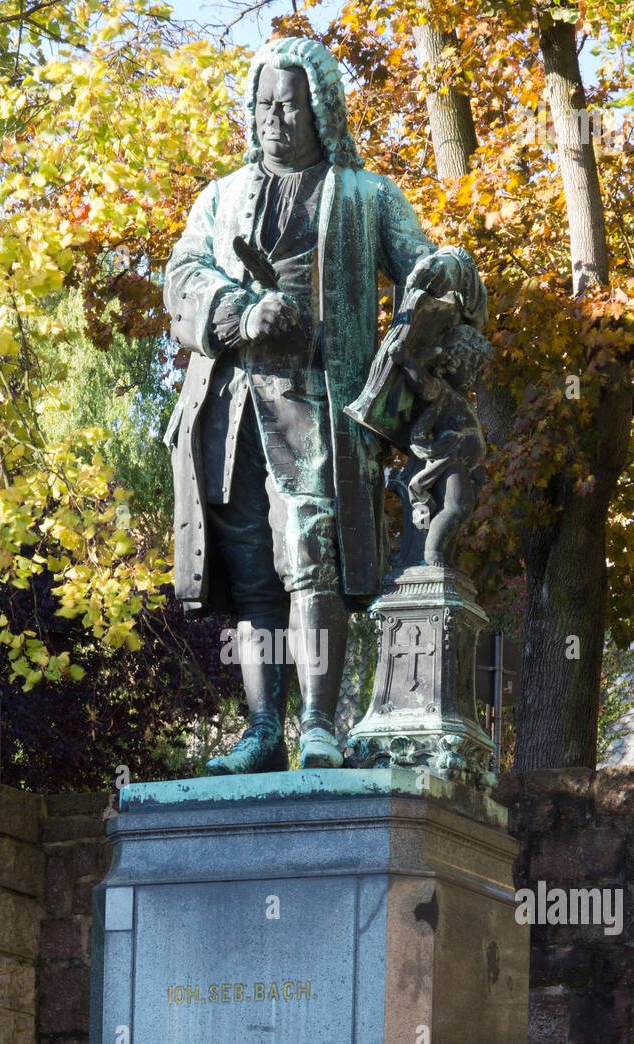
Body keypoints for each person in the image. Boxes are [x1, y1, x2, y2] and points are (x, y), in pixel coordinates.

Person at [163, 36, 486, 772]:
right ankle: (258, 730)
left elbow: (435, 271)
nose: (274, 118)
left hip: (317, 404)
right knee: (248, 566)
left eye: (290, 104)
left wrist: (451, 285)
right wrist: (240, 312)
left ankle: (315, 723)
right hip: (234, 405)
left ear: (322, 110)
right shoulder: (219, 197)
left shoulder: (369, 196)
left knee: (310, 554)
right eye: (263, 104)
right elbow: (181, 273)